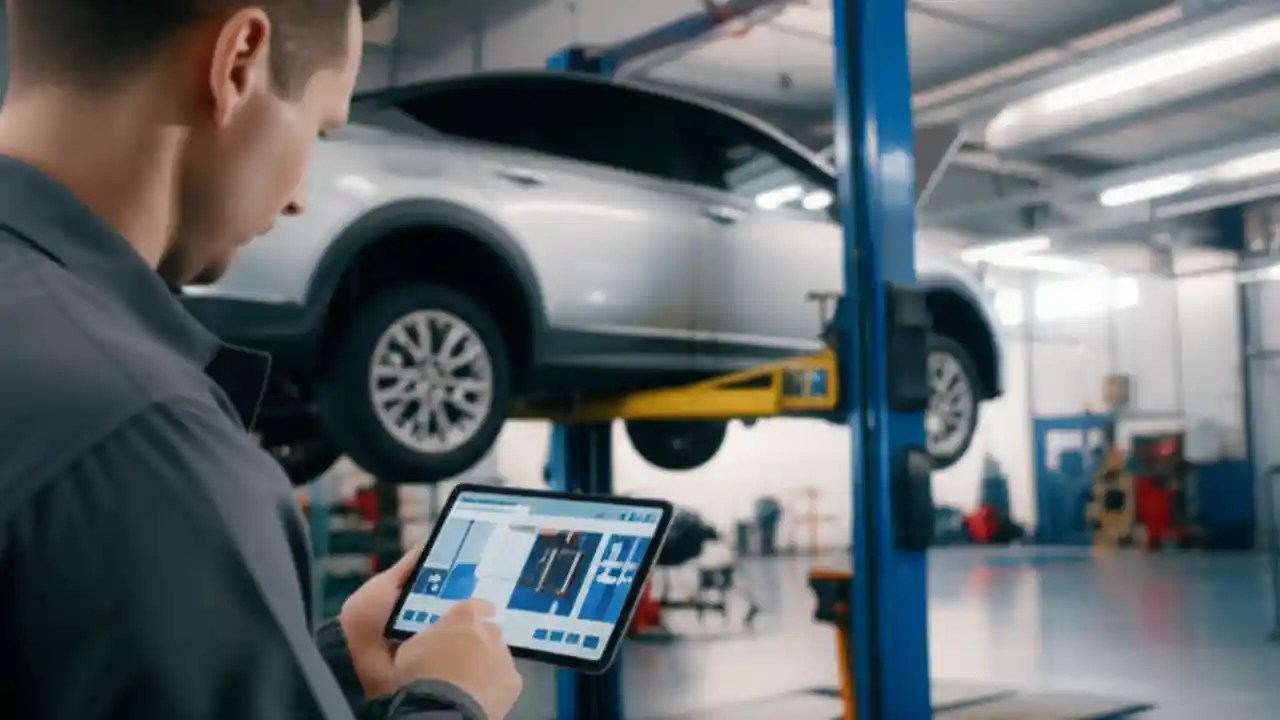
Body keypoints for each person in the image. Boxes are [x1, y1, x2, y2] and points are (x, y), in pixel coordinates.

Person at [0, 1, 522, 718]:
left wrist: (319, 659)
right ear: (238, 63)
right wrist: (449, 700)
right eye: (319, 128)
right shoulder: (144, 441)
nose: (302, 196)